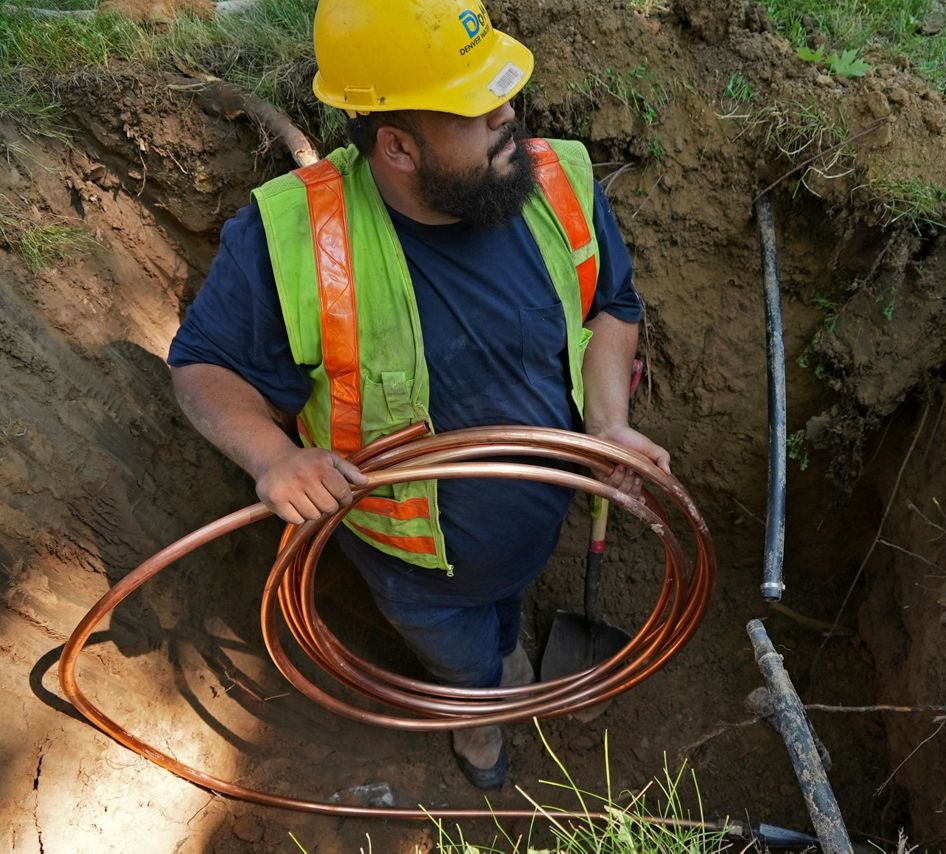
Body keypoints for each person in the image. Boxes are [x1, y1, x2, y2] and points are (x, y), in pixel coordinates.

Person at [166, 0, 669, 790]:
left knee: (504, 615)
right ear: (397, 144)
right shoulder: (291, 240)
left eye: (503, 95)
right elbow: (202, 367)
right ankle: (480, 728)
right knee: (466, 668)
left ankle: (506, 651)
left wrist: (608, 423)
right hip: (414, 567)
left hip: (537, 516)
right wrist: (273, 458)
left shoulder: (555, 179)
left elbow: (612, 304)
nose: (511, 119)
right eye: (476, 112)